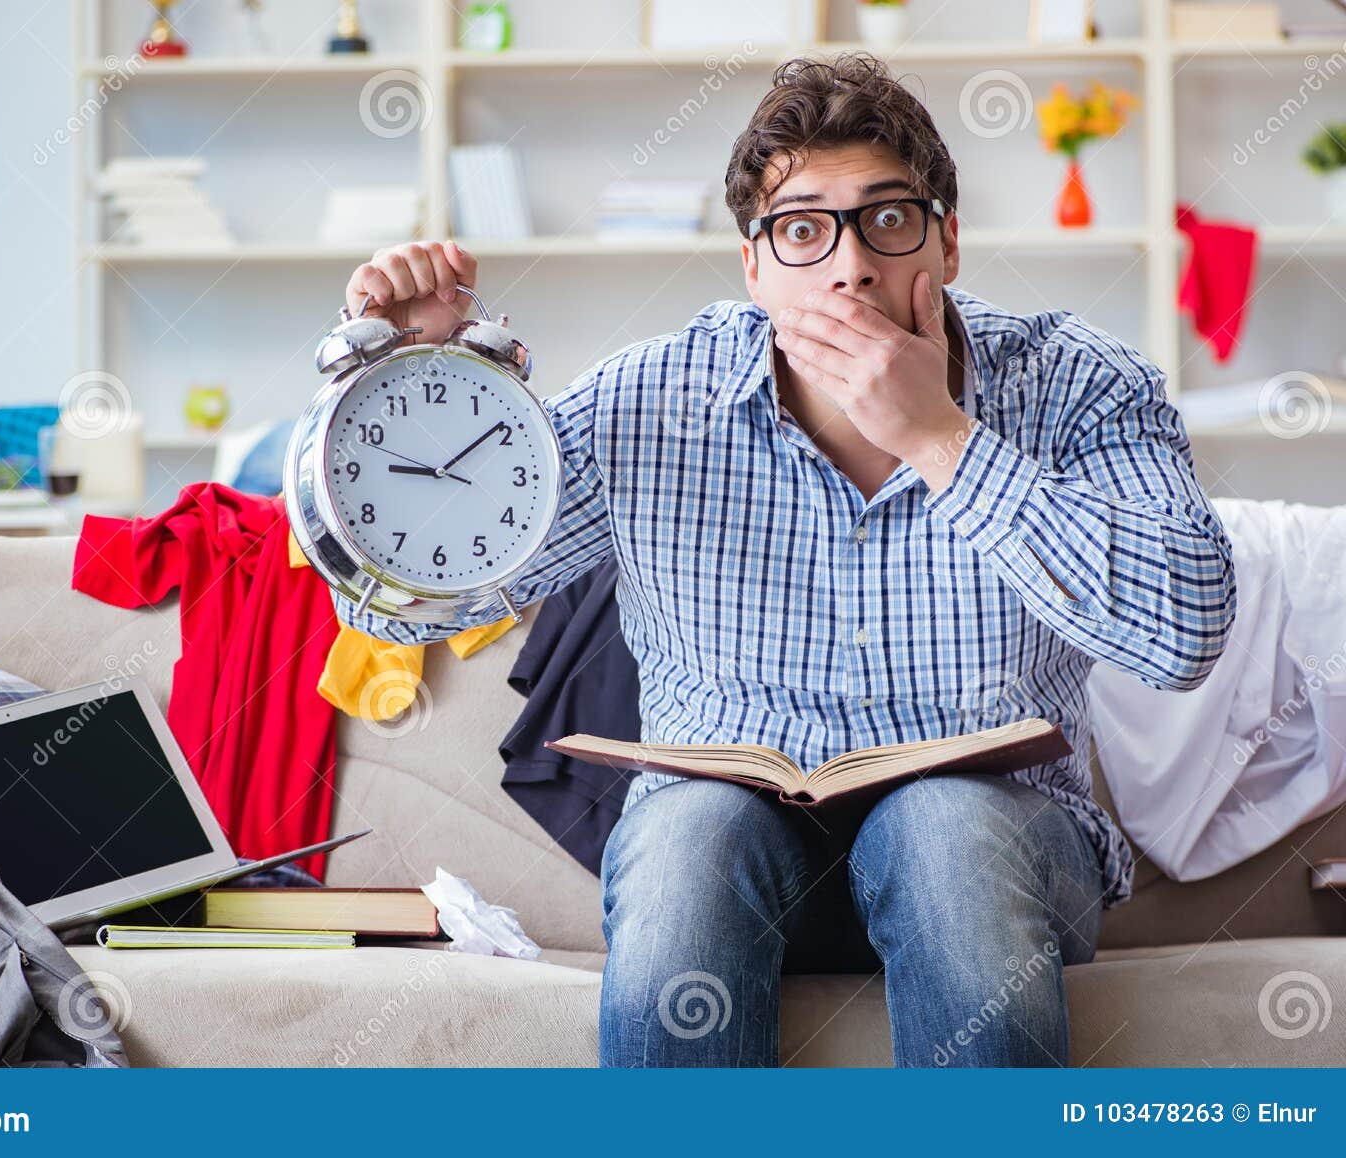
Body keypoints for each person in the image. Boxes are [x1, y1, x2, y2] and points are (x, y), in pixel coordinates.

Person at [329, 52, 1237, 1067]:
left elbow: (1185, 635)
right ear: (755, 266)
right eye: (803, 229)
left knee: (940, 825)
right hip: (723, 859)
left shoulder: (1074, 383)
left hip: (1000, 860)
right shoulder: (647, 401)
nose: (849, 267)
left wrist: (941, 439)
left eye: (887, 219)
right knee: (692, 838)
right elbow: (397, 611)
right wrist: (410, 384)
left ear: (946, 238)